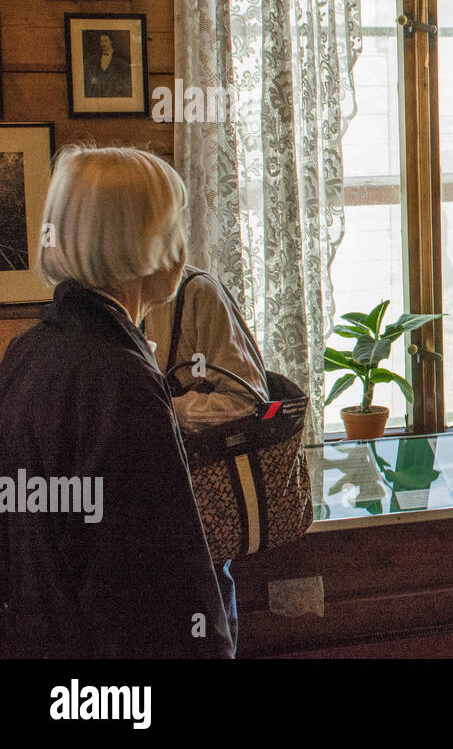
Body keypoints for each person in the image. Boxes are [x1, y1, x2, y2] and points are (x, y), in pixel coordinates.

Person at [0, 146, 232, 658]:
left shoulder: (27, 351)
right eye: (174, 228)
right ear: (144, 245)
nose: (183, 247)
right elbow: (155, 585)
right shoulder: (119, 379)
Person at [143, 265, 271, 654]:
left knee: (206, 626)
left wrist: (163, 408)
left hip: (198, 510)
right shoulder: (111, 303)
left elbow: (249, 400)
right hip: (146, 519)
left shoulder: (197, 293)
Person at [85, 32, 132, 98]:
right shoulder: (95, 59)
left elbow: (126, 77)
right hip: (99, 94)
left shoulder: (121, 57)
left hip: (116, 94)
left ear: (111, 42)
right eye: (101, 41)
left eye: (105, 41)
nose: (103, 44)